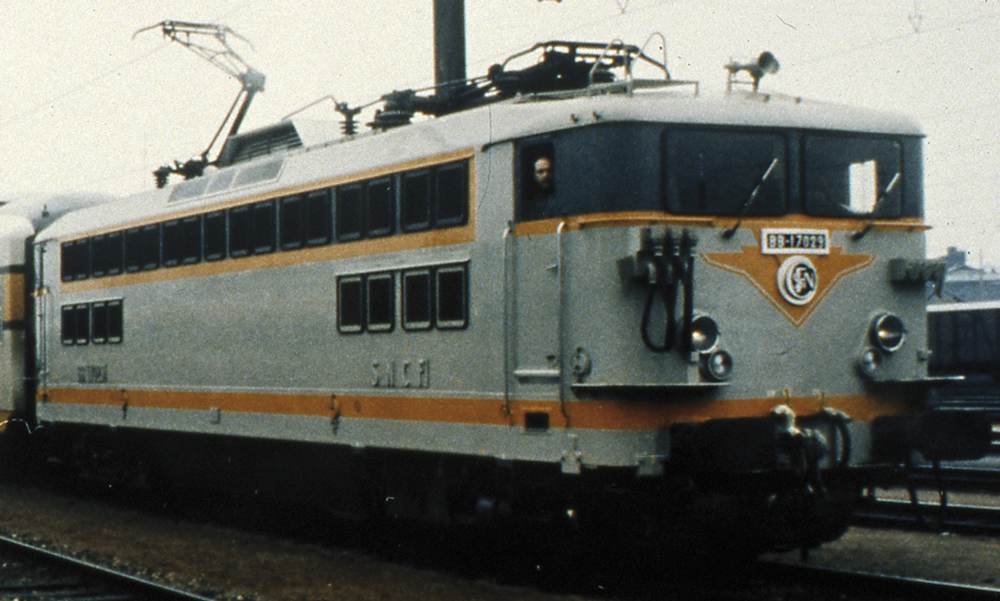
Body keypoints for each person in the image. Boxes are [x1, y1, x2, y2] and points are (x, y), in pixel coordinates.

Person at [524, 155, 557, 219]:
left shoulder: (562, 197)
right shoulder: (529, 203)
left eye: (549, 170)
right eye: (540, 172)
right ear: (534, 175)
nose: (546, 175)